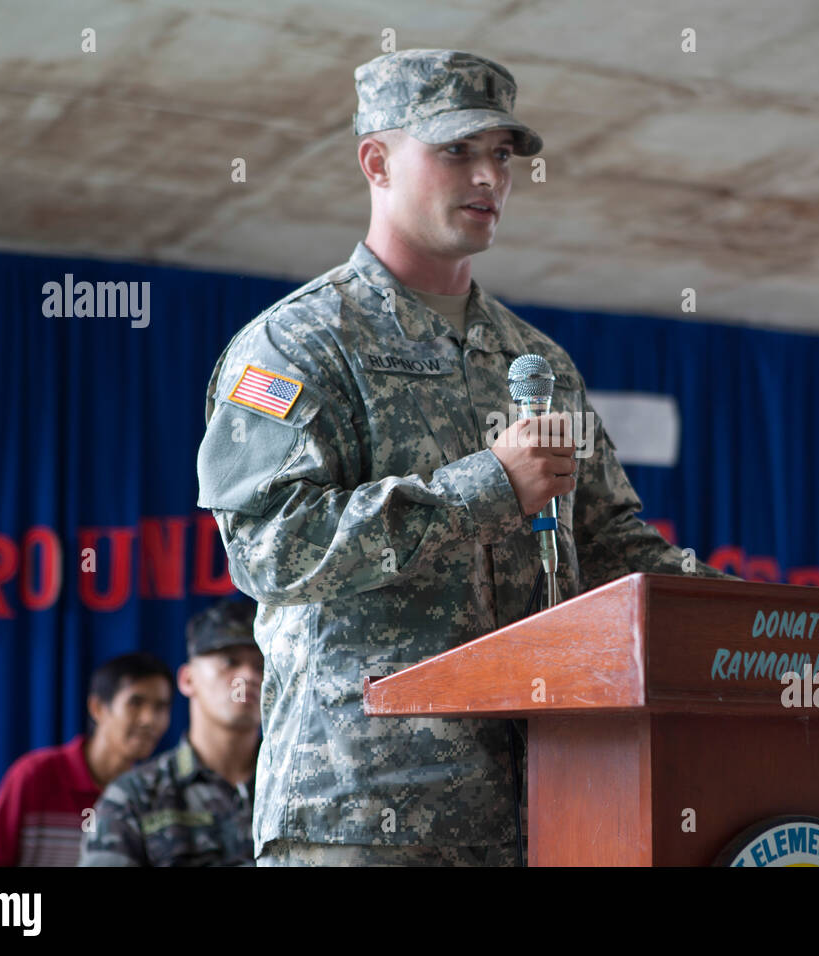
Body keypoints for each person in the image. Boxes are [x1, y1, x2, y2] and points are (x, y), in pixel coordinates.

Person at [196, 48, 734, 867]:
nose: (489, 176)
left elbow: (614, 547)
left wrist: (751, 616)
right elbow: (271, 549)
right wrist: (487, 488)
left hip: (545, 805)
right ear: (375, 161)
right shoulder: (296, 345)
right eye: (457, 150)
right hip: (359, 815)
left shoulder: (536, 361)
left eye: (502, 155)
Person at [80, 600, 263, 866]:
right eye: (230, 661)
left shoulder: (304, 789)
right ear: (188, 679)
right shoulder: (135, 798)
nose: (249, 676)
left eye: (261, 665)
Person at [0, 653, 172, 866]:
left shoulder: (155, 793)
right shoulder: (34, 776)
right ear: (98, 708)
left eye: (160, 707)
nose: (150, 720)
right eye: (136, 703)